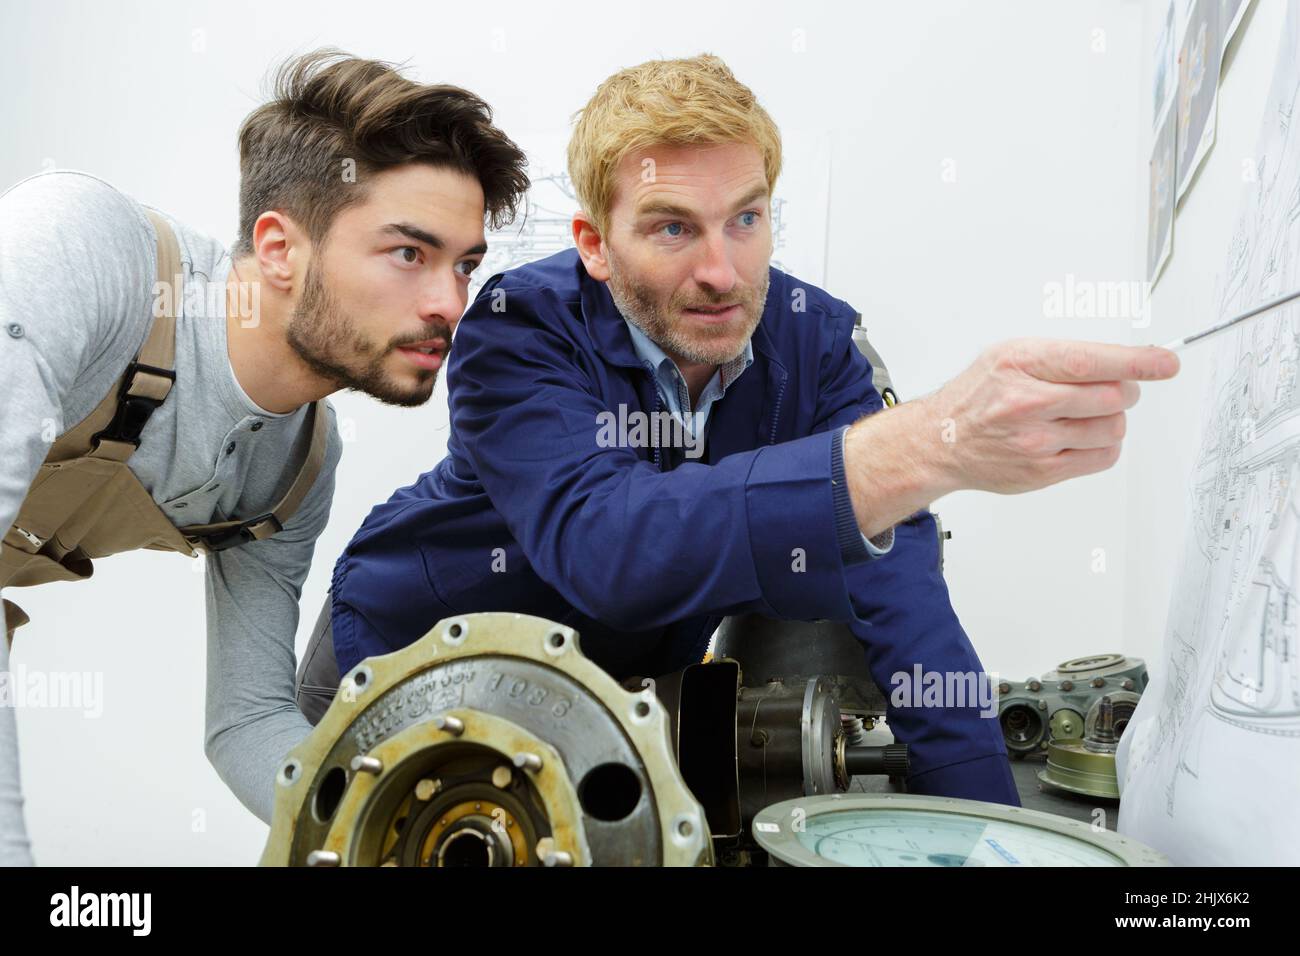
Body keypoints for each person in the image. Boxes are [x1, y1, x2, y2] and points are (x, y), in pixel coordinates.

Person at [312, 53, 1179, 806]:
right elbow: (608, 547)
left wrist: (992, 830)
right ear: (595, 244)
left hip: (609, 698)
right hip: (405, 661)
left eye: (747, 219)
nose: (722, 273)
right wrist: (912, 445)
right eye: (672, 228)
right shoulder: (518, 326)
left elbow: (900, 590)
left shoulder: (821, 342)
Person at [0, 49, 528, 865]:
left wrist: (407, 821)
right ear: (280, 247)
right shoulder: (81, 253)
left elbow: (247, 720)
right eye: (408, 254)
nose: (448, 304)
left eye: (463, 265)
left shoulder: (298, 463)